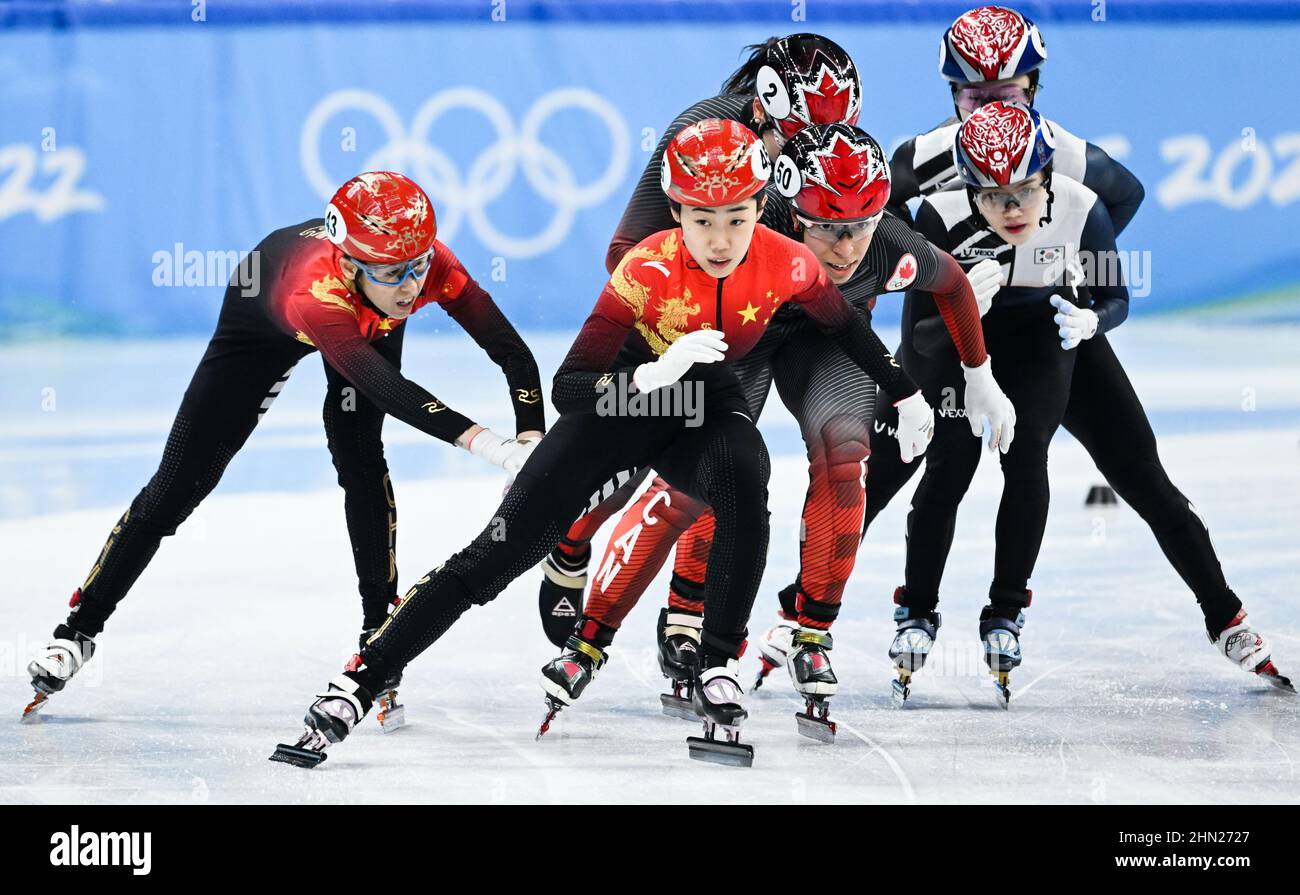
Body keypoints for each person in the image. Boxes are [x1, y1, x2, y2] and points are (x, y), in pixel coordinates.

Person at [272, 120, 937, 769]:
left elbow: (846, 327)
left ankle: (716, 663)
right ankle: (359, 681)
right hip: (620, 399)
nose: (720, 238)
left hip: (706, 406)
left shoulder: (788, 261)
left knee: (744, 471)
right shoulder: (646, 269)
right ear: (676, 209)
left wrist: (903, 390)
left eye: (737, 218)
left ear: (762, 207)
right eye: (702, 219)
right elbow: (570, 385)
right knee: (495, 555)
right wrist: (651, 373)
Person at [854, 5, 1292, 697]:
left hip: (1047, 331)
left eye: (1007, 91)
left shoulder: (1059, 152)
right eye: (976, 94)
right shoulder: (927, 157)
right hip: (949, 330)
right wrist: (934, 276)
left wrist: (1061, 267)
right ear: (952, 95)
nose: (993, 105)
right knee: (885, 472)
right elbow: (863, 223)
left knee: (1139, 474)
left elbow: (1123, 200)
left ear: (1033, 87)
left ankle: (1226, 615)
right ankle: (795, 613)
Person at [536, 123, 1012, 741]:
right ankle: (619, 628)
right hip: (743, 346)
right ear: (784, 212)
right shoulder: (747, 238)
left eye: (858, 229)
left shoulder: (892, 244)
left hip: (830, 345)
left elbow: (949, 286)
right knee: (699, 472)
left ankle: (812, 631)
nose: (843, 251)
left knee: (846, 459)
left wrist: (979, 375)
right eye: (825, 230)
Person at [23, 172, 547, 723]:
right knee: (179, 486)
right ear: (350, 265)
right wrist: (494, 448)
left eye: (419, 267)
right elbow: (389, 391)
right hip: (264, 317)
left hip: (360, 319)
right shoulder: (315, 294)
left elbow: (510, 349)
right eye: (395, 273)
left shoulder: (419, 263)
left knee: (359, 454)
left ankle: (378, 628)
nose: (412, 287)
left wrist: (530, 435)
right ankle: (78, 630)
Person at [535, 32, 868, 645]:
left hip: (774, 313)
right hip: (693, 317)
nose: (818, 151)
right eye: (803, 137)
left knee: (736, 468)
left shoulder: (826, 146)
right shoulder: (705, 136)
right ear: (765, 106)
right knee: (648, 443)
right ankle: (575, 532)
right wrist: (685, 318)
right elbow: (623, 253)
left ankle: (690, 613)